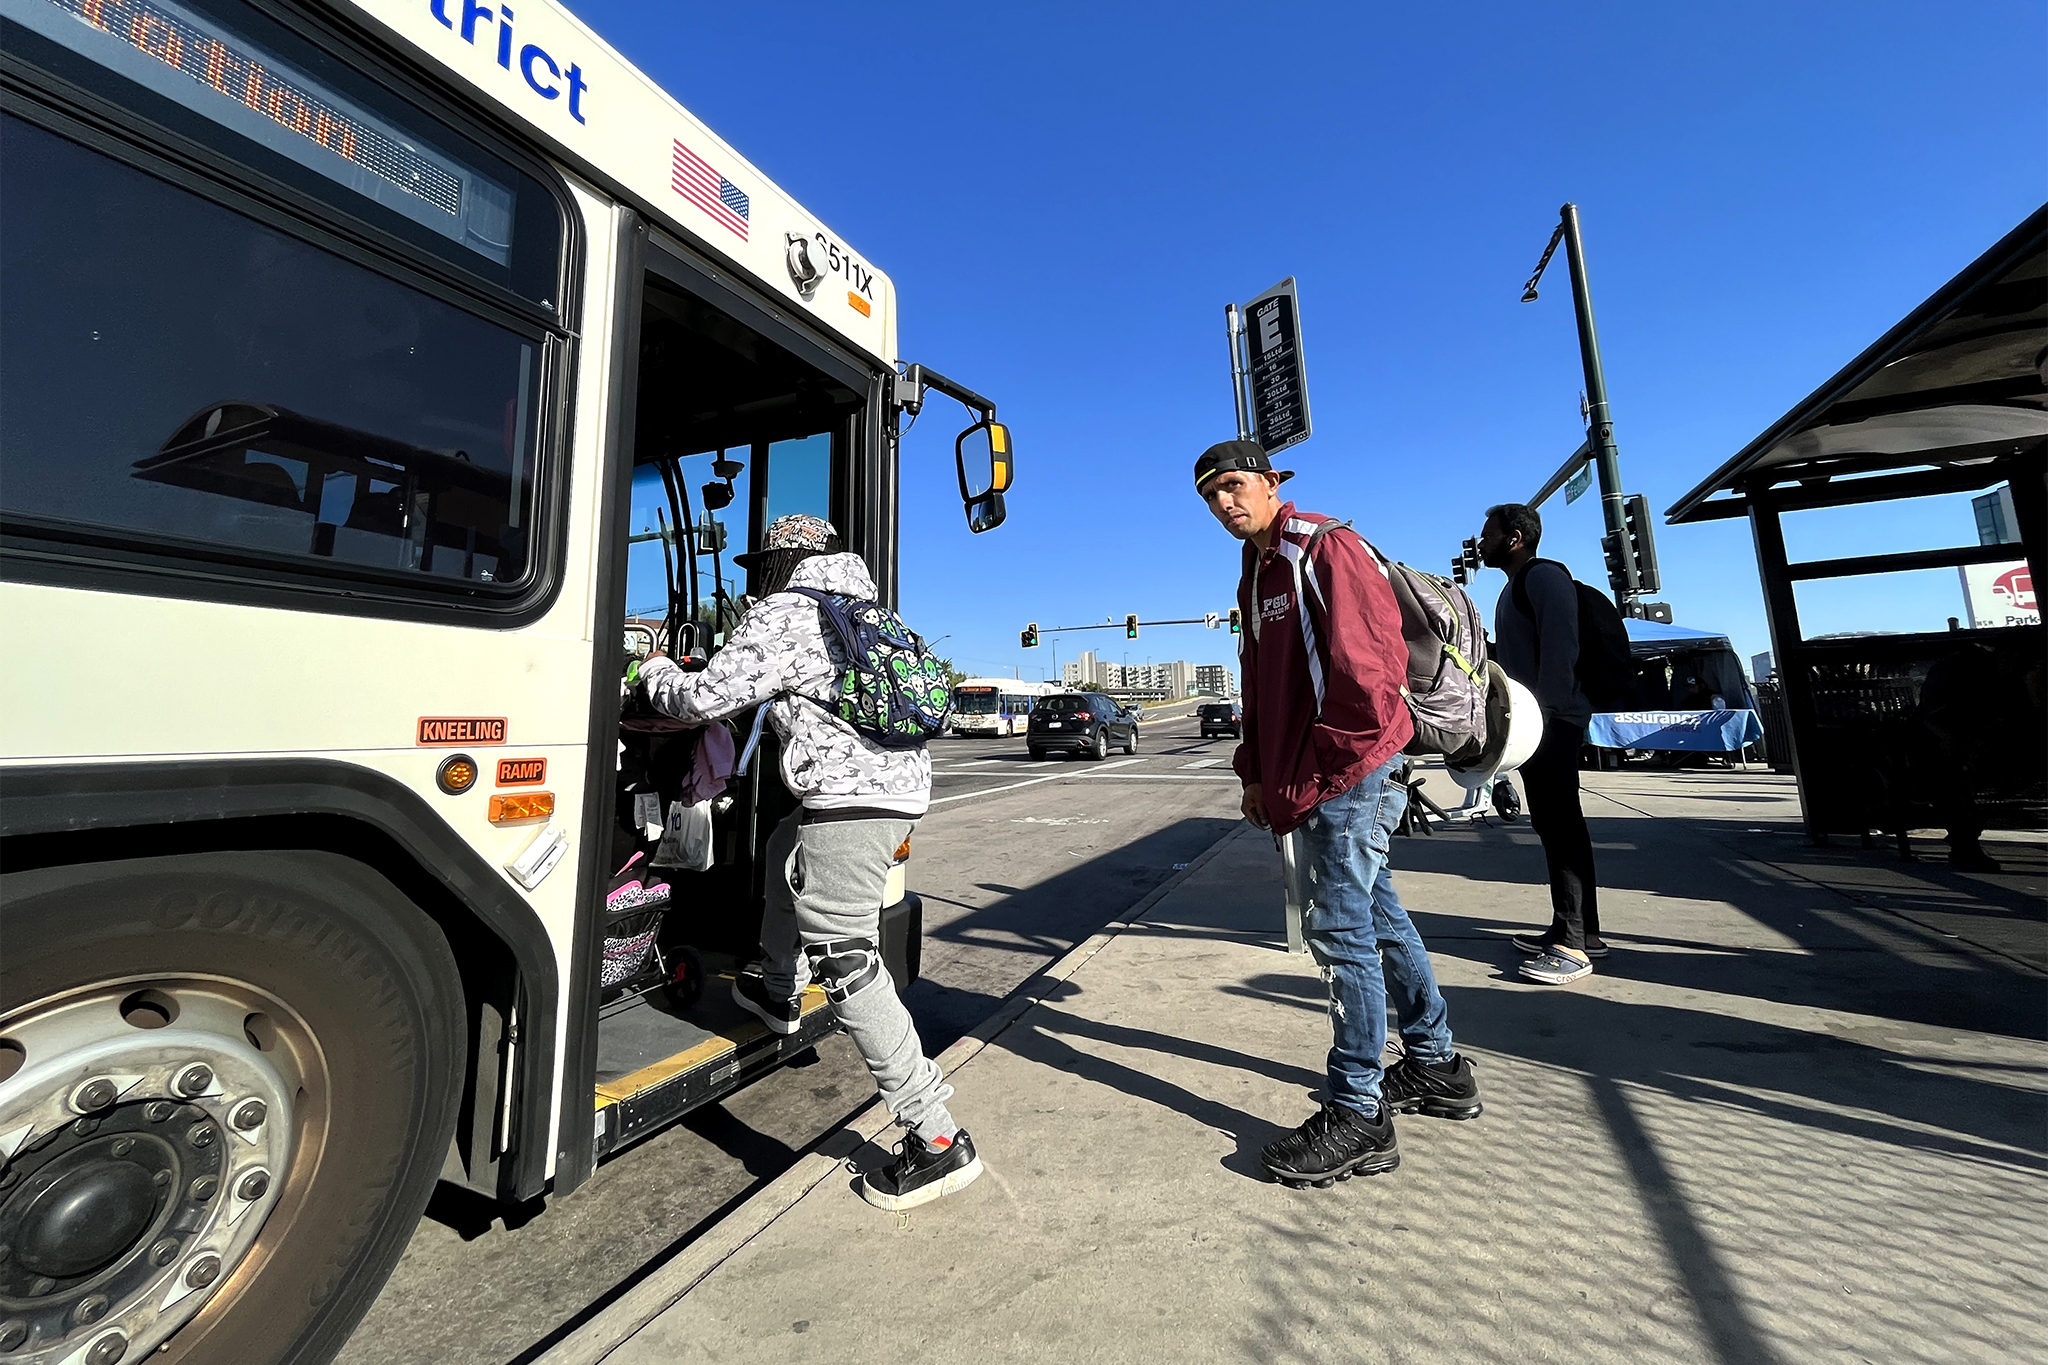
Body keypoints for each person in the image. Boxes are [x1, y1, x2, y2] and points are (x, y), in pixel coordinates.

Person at [638, 513, 980, 1211]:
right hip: (896, 789)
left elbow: (703, 697)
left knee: (845, 956)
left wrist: (653, 670)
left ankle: (936, 1135)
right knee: (780, 848)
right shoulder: (870, 611)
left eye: (762, 563)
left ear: (783, 561)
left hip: (851, 800)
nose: (757, 576)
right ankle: (777, 988)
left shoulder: (790, 611)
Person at [1197, 439, 1482, 1189]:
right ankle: (1437, 1065)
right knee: (1378, 914)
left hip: (1349, 771)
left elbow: (1370, 672)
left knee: (1338, 927)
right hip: (1314, 774)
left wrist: (1325, 771)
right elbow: (1259, 681)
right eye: (1210, 495)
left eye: (1234, 485)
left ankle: (1359, 1113)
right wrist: (1257, 771)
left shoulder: (1324, 545)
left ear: (1271, 482)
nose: (1224, 502)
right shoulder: (1255, 568)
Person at [1478, 502, 1607, 983]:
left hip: (1551, 722)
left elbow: (1561, 650)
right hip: (1535, 723)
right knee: (1554, 826)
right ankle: (1577, 930)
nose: (1482, 543)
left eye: (1489, 535)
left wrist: (1546, 717)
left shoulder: (1544, 577)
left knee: (1561, 826)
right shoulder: (1514, 587)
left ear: (1515, 538)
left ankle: (1574, 945)